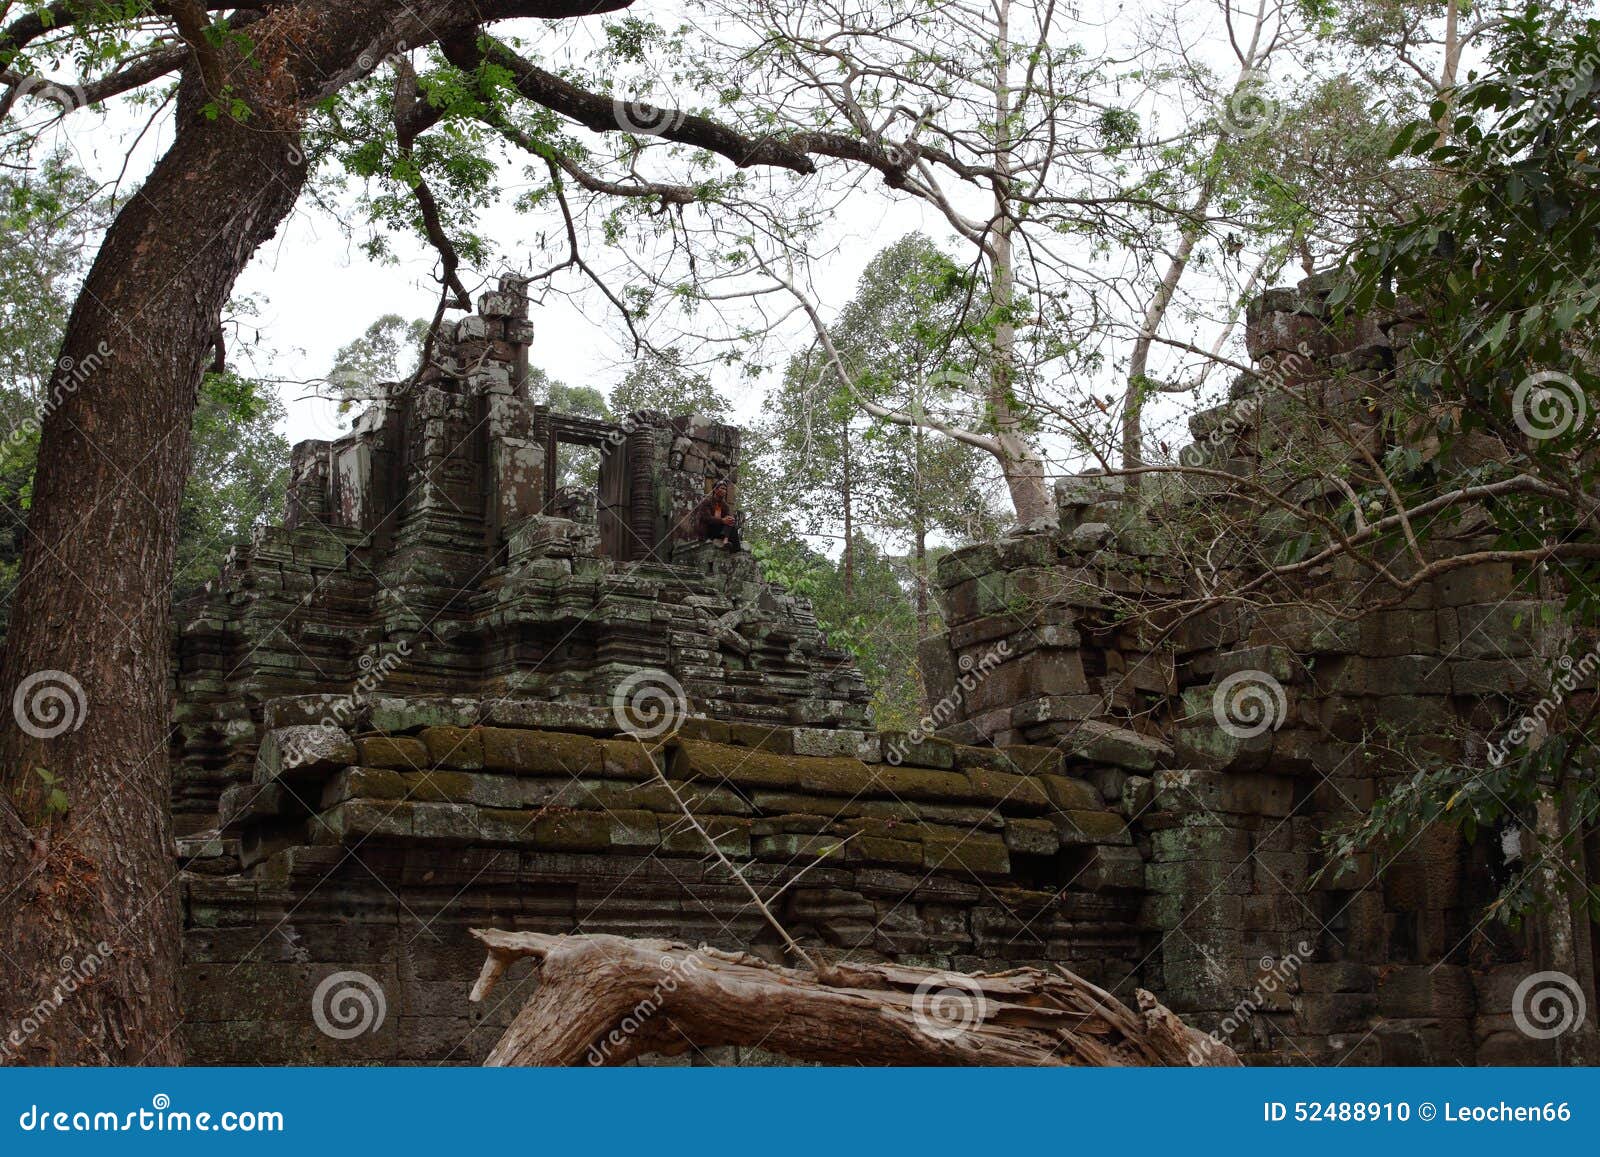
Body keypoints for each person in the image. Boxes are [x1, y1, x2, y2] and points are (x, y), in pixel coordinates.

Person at [694, 480, 741, 550]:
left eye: (725, 489)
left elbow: (727, 518)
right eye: (722, 488)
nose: (724, 491)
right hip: (708, 530)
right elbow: (706, 518)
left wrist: (729, 520)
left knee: (732, 525)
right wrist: (722, 520)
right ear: (715, 490)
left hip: (720, 531)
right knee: (730, 526)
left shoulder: (725, 506)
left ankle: (734, 549)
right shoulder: (707, 502)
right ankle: (728, 542)